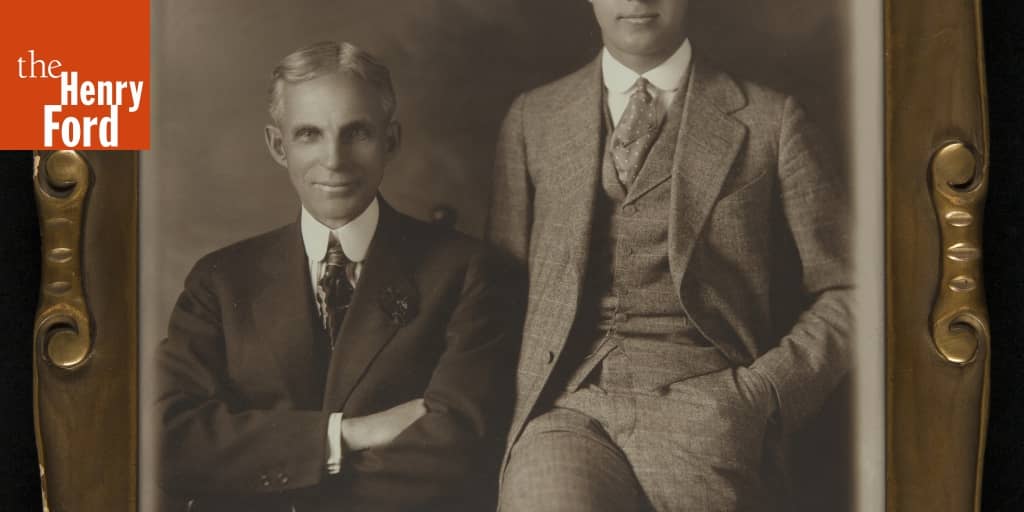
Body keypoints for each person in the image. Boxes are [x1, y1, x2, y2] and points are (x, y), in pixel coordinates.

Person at [487, 0, 853, 510]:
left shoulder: (772, 119)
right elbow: (498, 299)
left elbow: (851, 291)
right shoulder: (534, 118)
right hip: (565, 408)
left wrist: (763, 394)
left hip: (709, 416)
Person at [156, 40, 514, 512]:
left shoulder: (466, 271)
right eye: (309, 134)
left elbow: (457, 450)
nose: (335, 160)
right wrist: (345, 435)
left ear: (391, 141)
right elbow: (166, 440)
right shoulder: (220, 281)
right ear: (278, 146)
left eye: (357, 133)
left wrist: (269, 466)